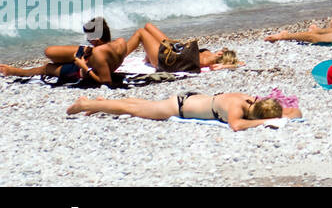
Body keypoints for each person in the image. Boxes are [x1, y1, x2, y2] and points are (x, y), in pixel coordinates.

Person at [68, 91, 300, 131]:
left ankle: (102, 103)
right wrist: (264, 122)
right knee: (133, 109)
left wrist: (283, 115)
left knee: (141, 104)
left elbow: (295, 112)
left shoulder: (251, 100)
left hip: (190, 100)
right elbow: (236, 125)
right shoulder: (236, 107)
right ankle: (85, 105)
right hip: (179, 107)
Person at [1, 17, 127, 84]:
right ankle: (68, 60)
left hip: (80, 69)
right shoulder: (120, 42)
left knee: (46, 68)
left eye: (89, 38)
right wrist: (92, 50)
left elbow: (106, 82)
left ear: (97, 39)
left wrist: (84, 66)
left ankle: (17, 71)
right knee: (49, 52)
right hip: (88, 55)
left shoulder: (99, 55)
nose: (88, 40)